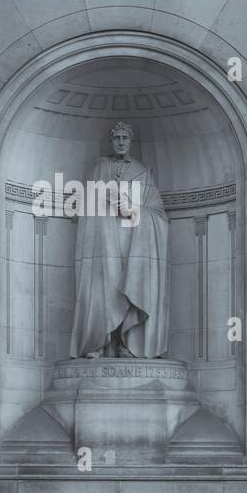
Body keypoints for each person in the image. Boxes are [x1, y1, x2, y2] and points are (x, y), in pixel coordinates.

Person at [69, 120, 170, 359]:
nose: (122, 142)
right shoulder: (98, 168)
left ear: (131, 141)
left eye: (125, 138)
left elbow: (157, 213)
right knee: (102, 291)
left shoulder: (142, 173)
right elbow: (86, 212)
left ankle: (130, 345)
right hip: (103, 243)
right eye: (117, 138)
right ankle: (98, 343)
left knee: (132, 286)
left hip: (134, 242)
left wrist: (133, 209)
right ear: (111, 141)